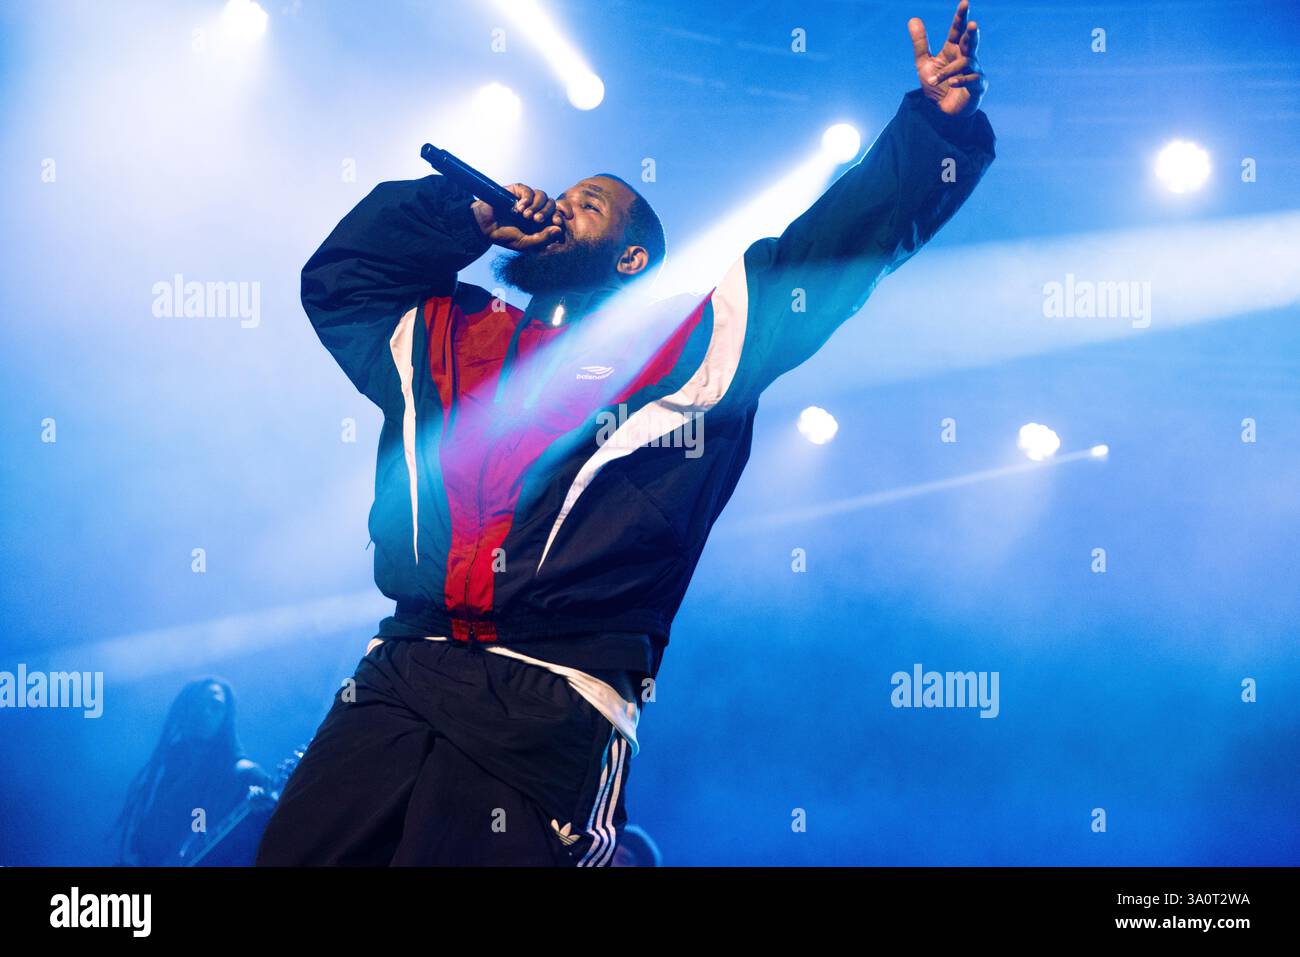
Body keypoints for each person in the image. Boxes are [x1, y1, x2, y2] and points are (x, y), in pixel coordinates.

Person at [257, 1, 994, 866]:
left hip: (548, 700)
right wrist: (465, 221)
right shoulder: (451, 332)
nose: (564, 203)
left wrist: (933, 142)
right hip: (400, 672)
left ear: (634, 255)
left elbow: (820, 257)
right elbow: (342, 280)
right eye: (564, 193)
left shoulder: (685, 352)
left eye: (592, 202)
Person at [115, 678, 271, 866]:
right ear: (181, 712)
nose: (204, 712)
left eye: (215, 706)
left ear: (226, 718)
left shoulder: (246, 776)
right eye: (195, 704)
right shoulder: (162, 772)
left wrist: (262, 814)